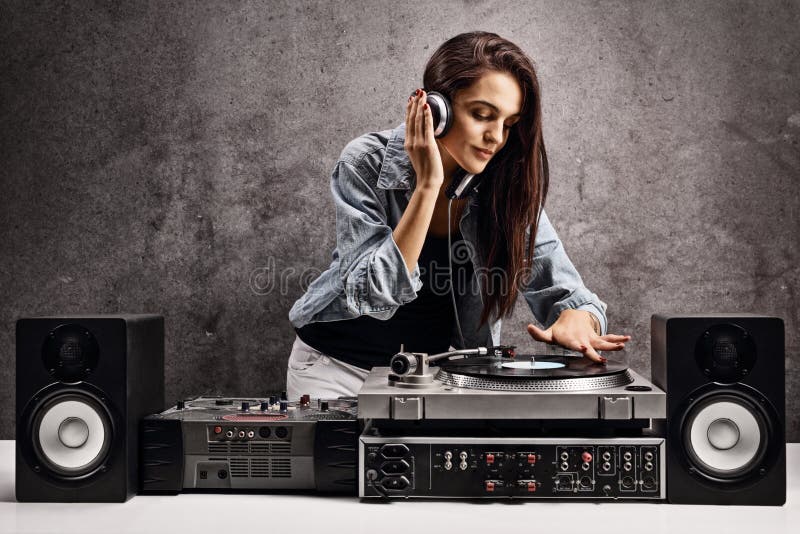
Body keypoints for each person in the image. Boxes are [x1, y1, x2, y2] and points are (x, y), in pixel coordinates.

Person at [286, 31, 630, 400]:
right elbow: (372, 293)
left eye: (509, 124)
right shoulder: (365, 162)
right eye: (482, 115)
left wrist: (580, 319)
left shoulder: (507, 187)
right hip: (335, 367)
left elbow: (570, 295)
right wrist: (427, 186)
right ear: (436, 110)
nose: (496, 137)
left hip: (432, 378)